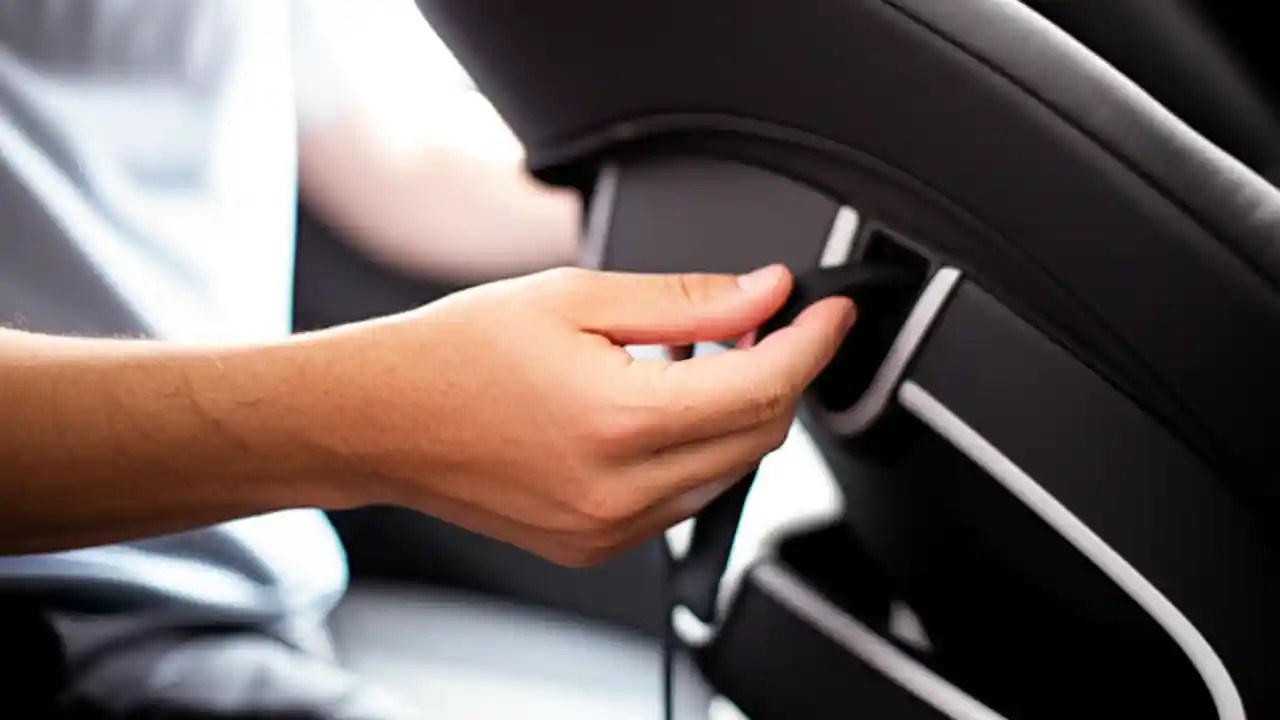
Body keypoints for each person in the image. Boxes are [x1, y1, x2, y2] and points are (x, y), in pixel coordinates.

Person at [0, 2, 854, 717]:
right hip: (60, 615)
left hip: (240, 601)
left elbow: (391, 169)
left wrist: (715, 214)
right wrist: (372, 421)